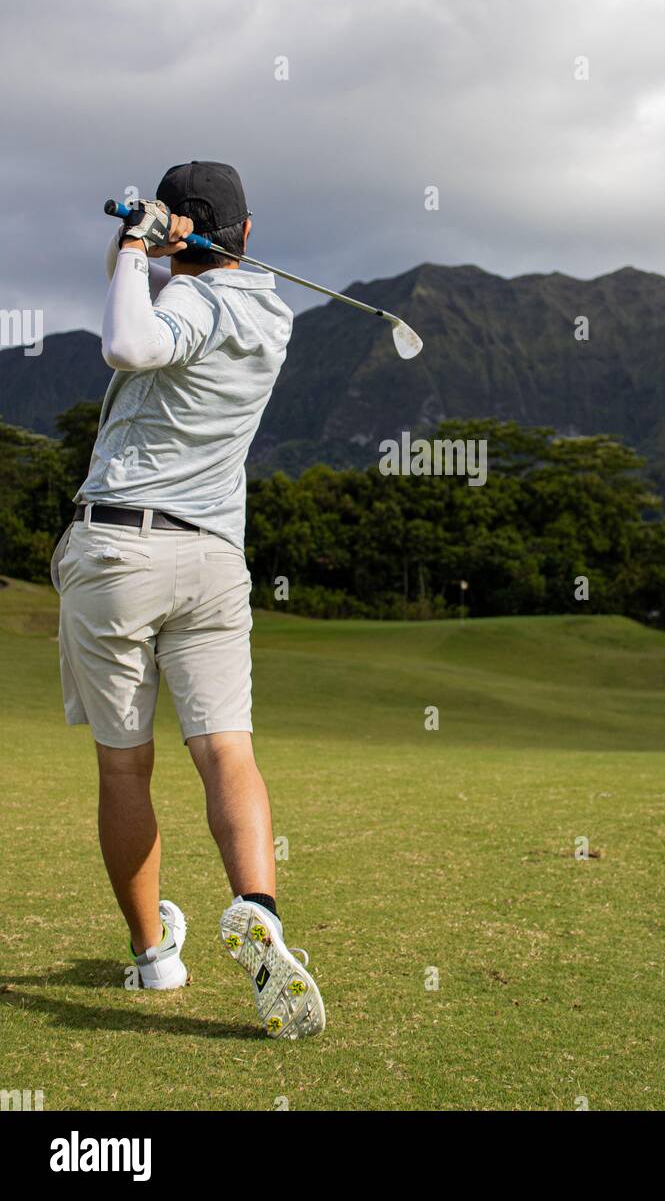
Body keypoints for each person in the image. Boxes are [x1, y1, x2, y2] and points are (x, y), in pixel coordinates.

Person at [50, 160, 325, 1040]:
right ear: (245, 233)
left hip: (122, 548)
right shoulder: (269, 313)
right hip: (212, 559)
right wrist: (140, 245)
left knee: (126, 766)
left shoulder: (188, 307)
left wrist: (138, 236)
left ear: (184, 233)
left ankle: (153, 960)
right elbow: (137, 294)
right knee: (227, 754)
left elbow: (129, 341)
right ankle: (260, 909)